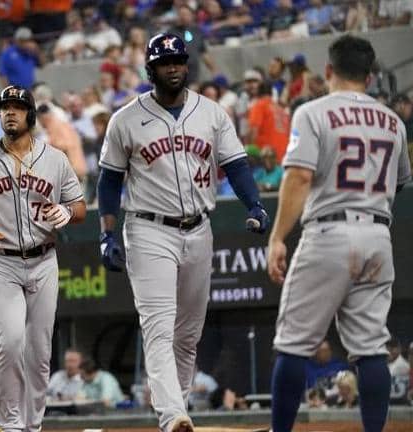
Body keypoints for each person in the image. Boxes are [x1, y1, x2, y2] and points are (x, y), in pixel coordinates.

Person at [97, 33, 269, 432]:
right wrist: (106, 233)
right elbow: (108, 183)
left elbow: (238, 165)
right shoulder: (125, 119)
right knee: (157, 326)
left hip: (199, 227)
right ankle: (172, 415)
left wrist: (255, 205)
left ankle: (180, 407)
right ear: (150, 69)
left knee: (188, 333)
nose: (173, 67)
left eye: (178, 60)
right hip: (147, 228)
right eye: (164, 62)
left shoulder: (211, 113)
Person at [266, 35, 411, 432]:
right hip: (378, 235)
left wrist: (277, 236)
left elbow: (298, 176)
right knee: (370, 350)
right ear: (370, 75)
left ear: (328, 70)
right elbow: (400, 183)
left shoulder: (312, 112)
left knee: (293, 344)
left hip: (329, 230)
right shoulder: (394, 121)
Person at [0, 85, 86, 432]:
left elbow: (80, 206)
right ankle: (10, 426)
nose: (9, 112)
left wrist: (67, 212)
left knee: (39, 353)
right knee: (9, 346)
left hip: (43, 260)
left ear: (30, 114)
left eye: (16, 107)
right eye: (4, 107)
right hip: (1, 263)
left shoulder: (54, 159)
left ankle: (33, 425)